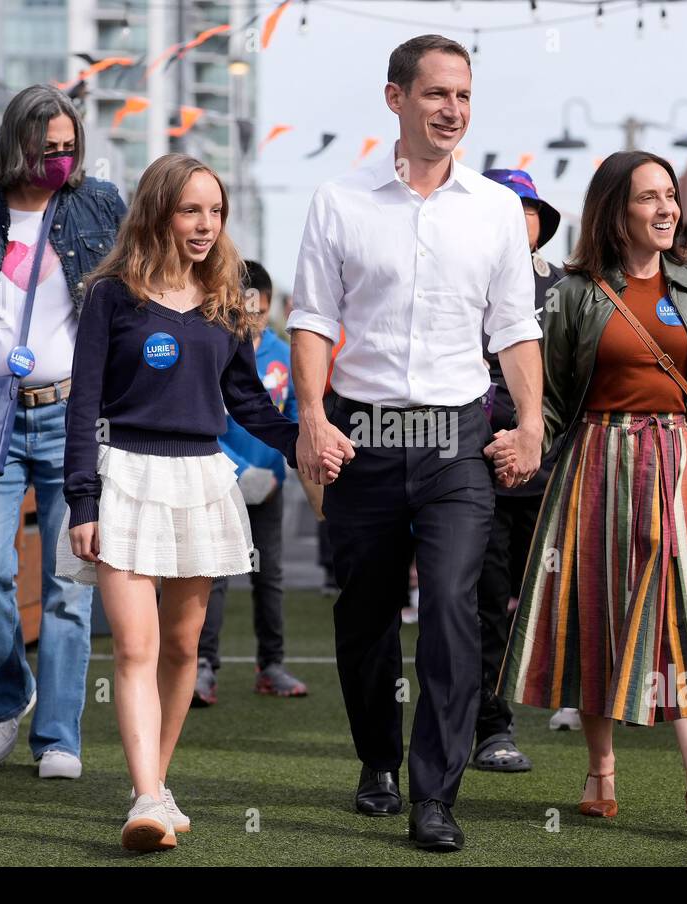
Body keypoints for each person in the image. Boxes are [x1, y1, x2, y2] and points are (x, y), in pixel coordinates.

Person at [288, 34, 544, 852]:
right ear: (395, 98)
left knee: (453, 610)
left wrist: (531, 422)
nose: (454, 111)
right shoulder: (338, 199)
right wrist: (312, 416)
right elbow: (314, 320)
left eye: (464, 96)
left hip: (457, 443)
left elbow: (514, 327)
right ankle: (378, 763)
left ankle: (436, 795)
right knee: (363, 614)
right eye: (437, 94)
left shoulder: (497, 208)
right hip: (360, 438)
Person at [57, 154, 343, 852]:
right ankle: (148, 797)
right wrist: (83, 501)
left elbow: (247, 400)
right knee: (136, 645)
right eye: (191, 210)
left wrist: (307, 436)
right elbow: (82, 406)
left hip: (199, 480)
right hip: (124, 476)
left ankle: (155, 780)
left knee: (183, 647)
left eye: (214, 211)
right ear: (159, 212)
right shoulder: (111, 296)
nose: (206, 224)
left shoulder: (224, 302)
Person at [498, 151, 687, 835]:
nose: (667, 209)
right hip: (597, 462)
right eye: (649, 197)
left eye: (671, 196)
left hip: (681, 468)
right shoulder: (572, 292)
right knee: (597, 613)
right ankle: (600, 771)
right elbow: (555, 398)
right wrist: (525, 443)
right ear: (615, 211)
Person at [0, 84, 127, 780]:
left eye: (70, 149)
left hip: (75, 416)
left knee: (71, 583)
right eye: (48, 150)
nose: (60, 162)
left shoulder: (99, 203)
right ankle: (7, 697)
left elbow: (124, 297)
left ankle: (59, 737)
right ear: (19, 143)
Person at [471, 168, 566, 772]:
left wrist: (541, 438)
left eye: (526, 208)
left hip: (552, 466)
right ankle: (490, 725)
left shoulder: (567, 287)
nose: (515, 217)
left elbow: (582, 379)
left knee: (565, 594)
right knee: (482, 602)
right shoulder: (455, 278)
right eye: (504, 206)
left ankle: (582, 705)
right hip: (471, 466)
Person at [194, 260, 314, 706]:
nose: (251, 321)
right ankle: (203, 666)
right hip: (219, 485)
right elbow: (200, 420)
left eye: (259, 312)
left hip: (272, 489)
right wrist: (240, 472)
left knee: (269, 576)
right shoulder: (215, 348)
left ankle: (272, 665)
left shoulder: (285, 354)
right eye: (242, 310)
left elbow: (301, 410)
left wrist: (295, 455)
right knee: (215, 574)